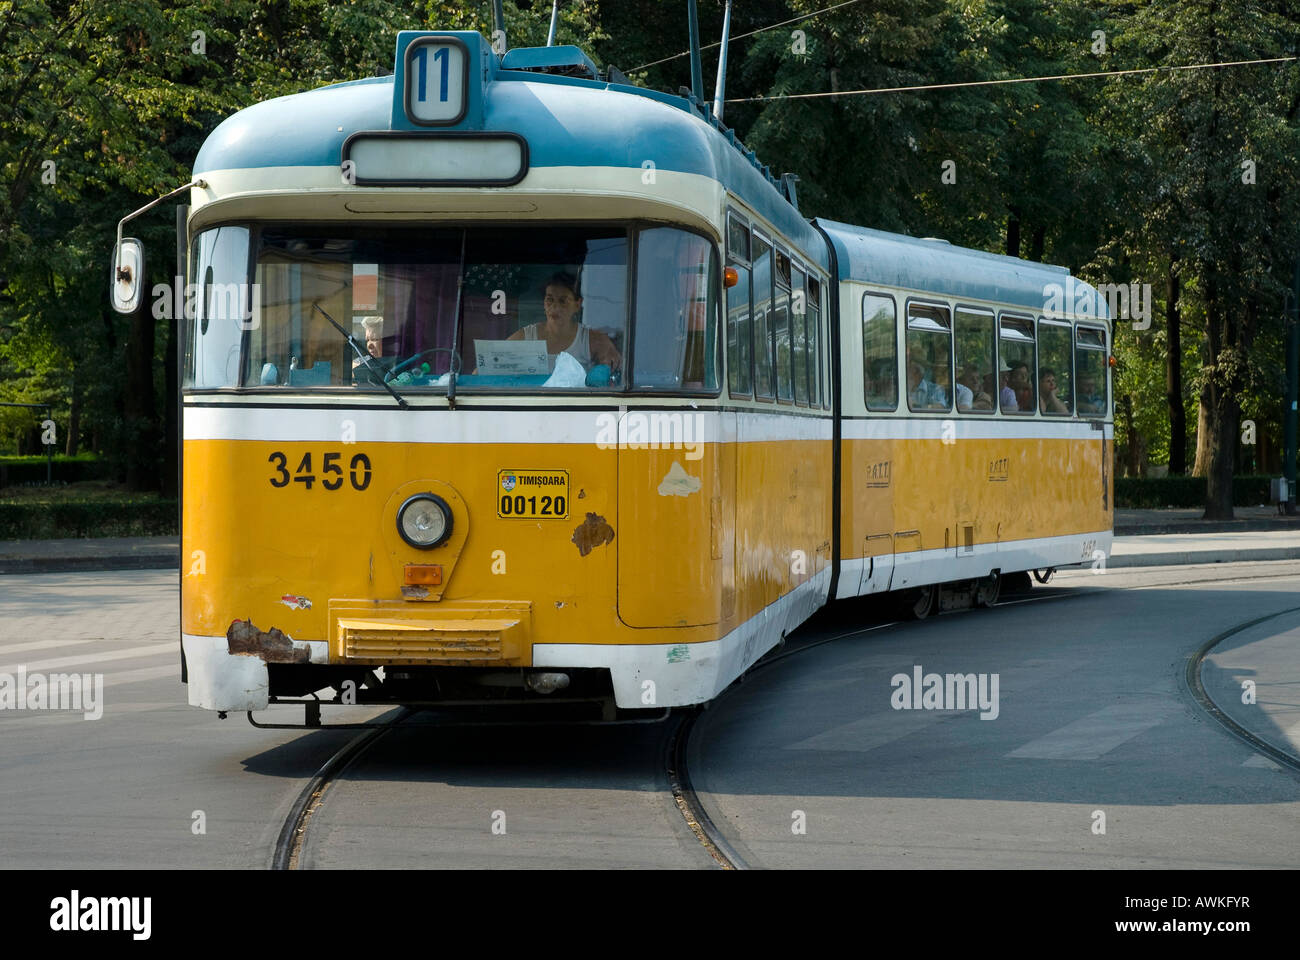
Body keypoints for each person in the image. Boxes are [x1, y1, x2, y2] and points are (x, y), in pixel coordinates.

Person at [509, 272, 621, 374]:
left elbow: (615, 371)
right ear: (544, 303)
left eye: (563, 301)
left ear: (577, 305)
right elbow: (496, 358)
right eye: (549, 299)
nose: (555, 307)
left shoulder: (591, 340)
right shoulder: (527, 336)